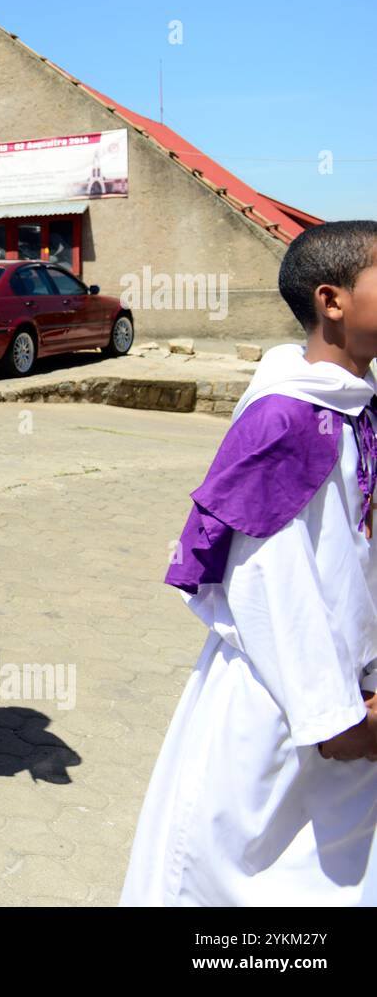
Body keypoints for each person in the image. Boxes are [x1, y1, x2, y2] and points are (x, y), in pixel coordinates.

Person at [121, 221, 377, 907]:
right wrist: (339, 721)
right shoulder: (287, 421)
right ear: (332, 301)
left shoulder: (357, 409)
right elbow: (269, 583)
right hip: (289, 706)